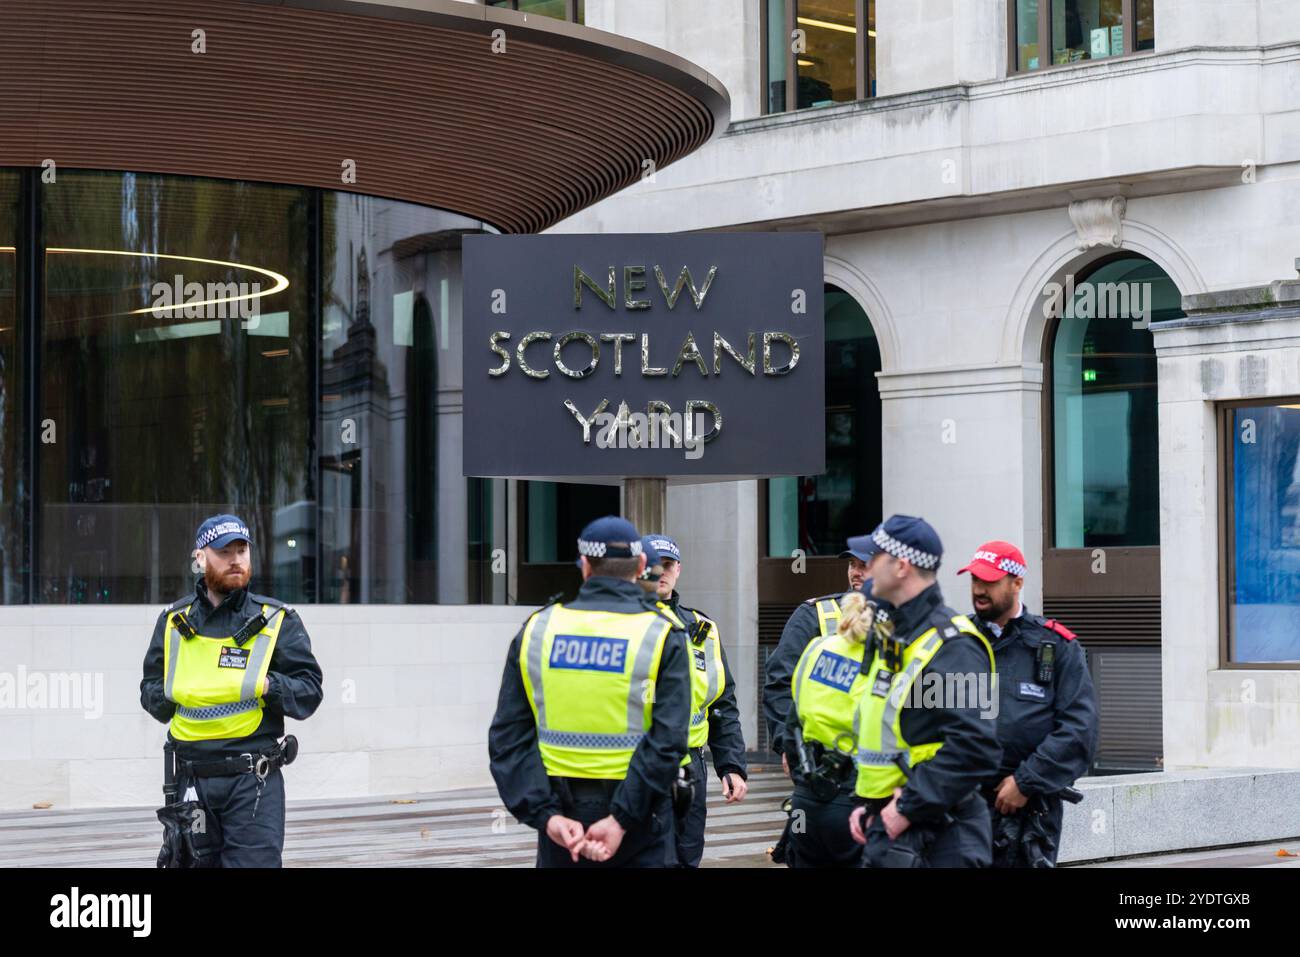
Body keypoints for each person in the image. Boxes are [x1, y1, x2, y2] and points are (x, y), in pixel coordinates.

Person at [488, 516, 691, 867]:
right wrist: (621, 820)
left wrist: (546, 816)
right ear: (642, 565)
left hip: (562, 823)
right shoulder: (661, 635)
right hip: (640, 821)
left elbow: (508, 738)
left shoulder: (538, 630)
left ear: (583, 565)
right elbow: (668, 742)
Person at [140, 514, 324, 867]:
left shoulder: (276, 620)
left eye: (242, 550)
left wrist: (268, 685)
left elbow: (310, 691)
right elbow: (150, 691)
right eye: (224, 552)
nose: (236, 560)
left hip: (252, 783)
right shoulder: (174, 623)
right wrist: (173, 692)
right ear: (200, 559)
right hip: (191, 783)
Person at [847, 515, 1003, 868]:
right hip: (894, 823)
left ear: (901, 566)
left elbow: (975, 747)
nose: (865, 568)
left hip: (938, 835)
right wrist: (867, 803)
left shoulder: (953, 645)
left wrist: (905, 807)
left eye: (874, 558)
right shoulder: (894, 636)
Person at [960, 540, 1098, 867]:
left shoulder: (1056, 646)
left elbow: (1080, 731)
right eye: (975, 580)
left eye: (990, 582)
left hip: (1027, 810)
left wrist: (1025, 782)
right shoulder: (954, 641)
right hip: (959, 806)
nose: (979, 589)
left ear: (1017, 583)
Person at [648, 534, 748, 868]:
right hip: (638, 764)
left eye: (667, 565)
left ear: (678, 569)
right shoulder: (620, 623)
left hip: (691, 766)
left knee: (687, 855)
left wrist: (731, 765)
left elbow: (722, 702)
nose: (661, 572)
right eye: (653, 564)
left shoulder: (702, 628)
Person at [782, 582, 888, 867]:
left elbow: (793, 725)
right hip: (856, 797)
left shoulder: (819, 647)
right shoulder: (885, 661)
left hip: (808, 793)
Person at [763, 542, 871, 766]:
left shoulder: (900, 619)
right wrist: (788, 744)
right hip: (821, 759)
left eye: (865, 565)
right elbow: (779, 682)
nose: (856, 572)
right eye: (852, 564)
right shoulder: (814, 614)